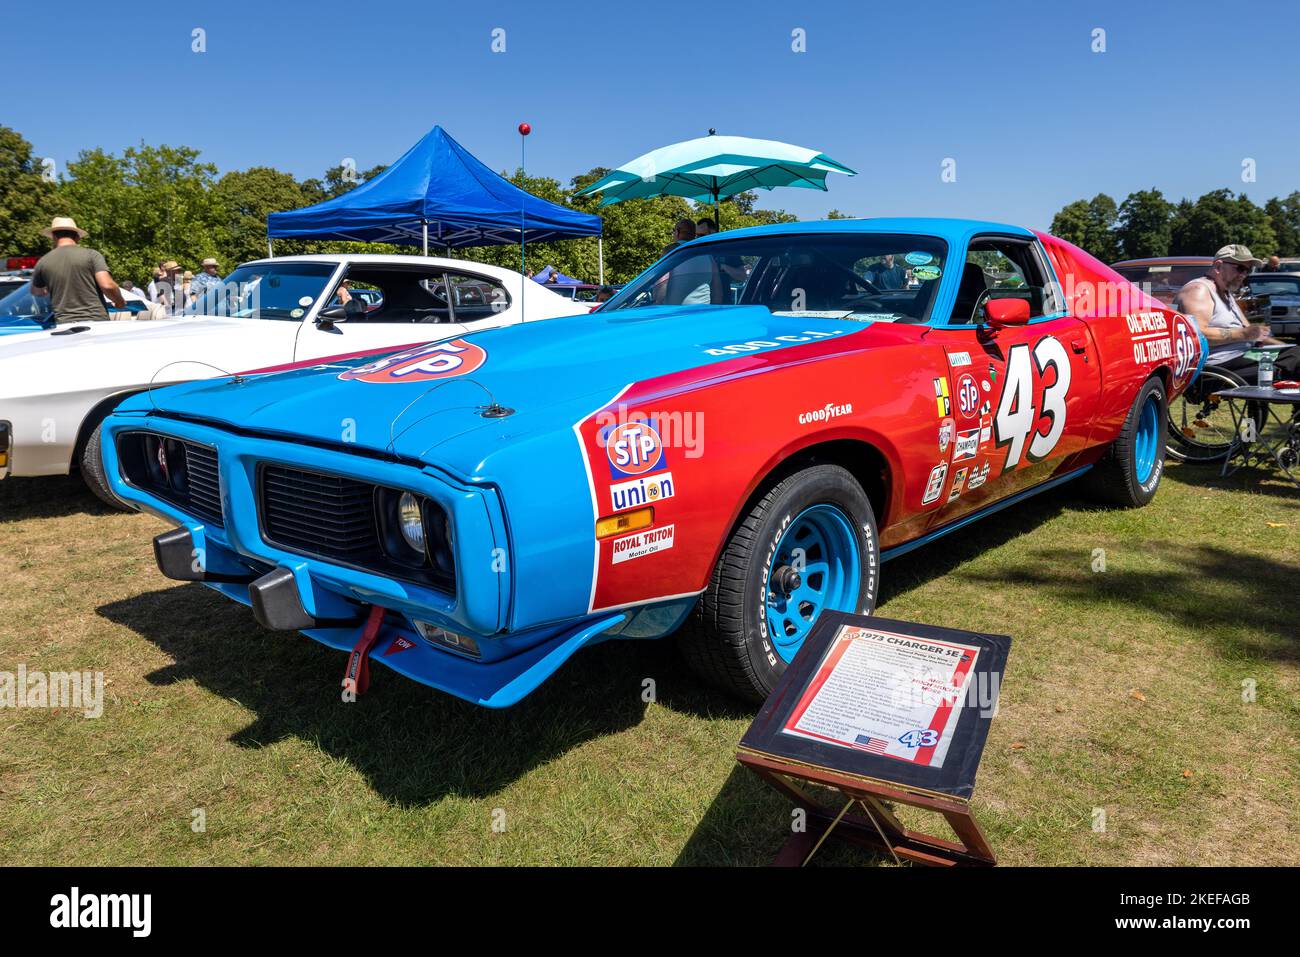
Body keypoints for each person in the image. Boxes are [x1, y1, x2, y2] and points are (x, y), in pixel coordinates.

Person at [1174, 245, 1300, 382]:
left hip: (1242, 358)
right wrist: (1244, 334)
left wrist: (1286, 347)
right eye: (1240, 268)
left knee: (1295, 354)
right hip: (1217, 367)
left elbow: (1253, 334)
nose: (1244, 275)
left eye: (1248, 270)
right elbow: (1196, 335)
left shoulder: (1226, 293)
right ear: (1218, 266)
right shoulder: (1199, 290)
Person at [29, 216, 124, 324]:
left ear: (54, 237)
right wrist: (119, 301)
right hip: (96, 321)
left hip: (64, 324)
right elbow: (107, 285)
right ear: (77, 237)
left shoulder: (43, 261)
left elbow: (37, 292)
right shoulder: (92, 255)